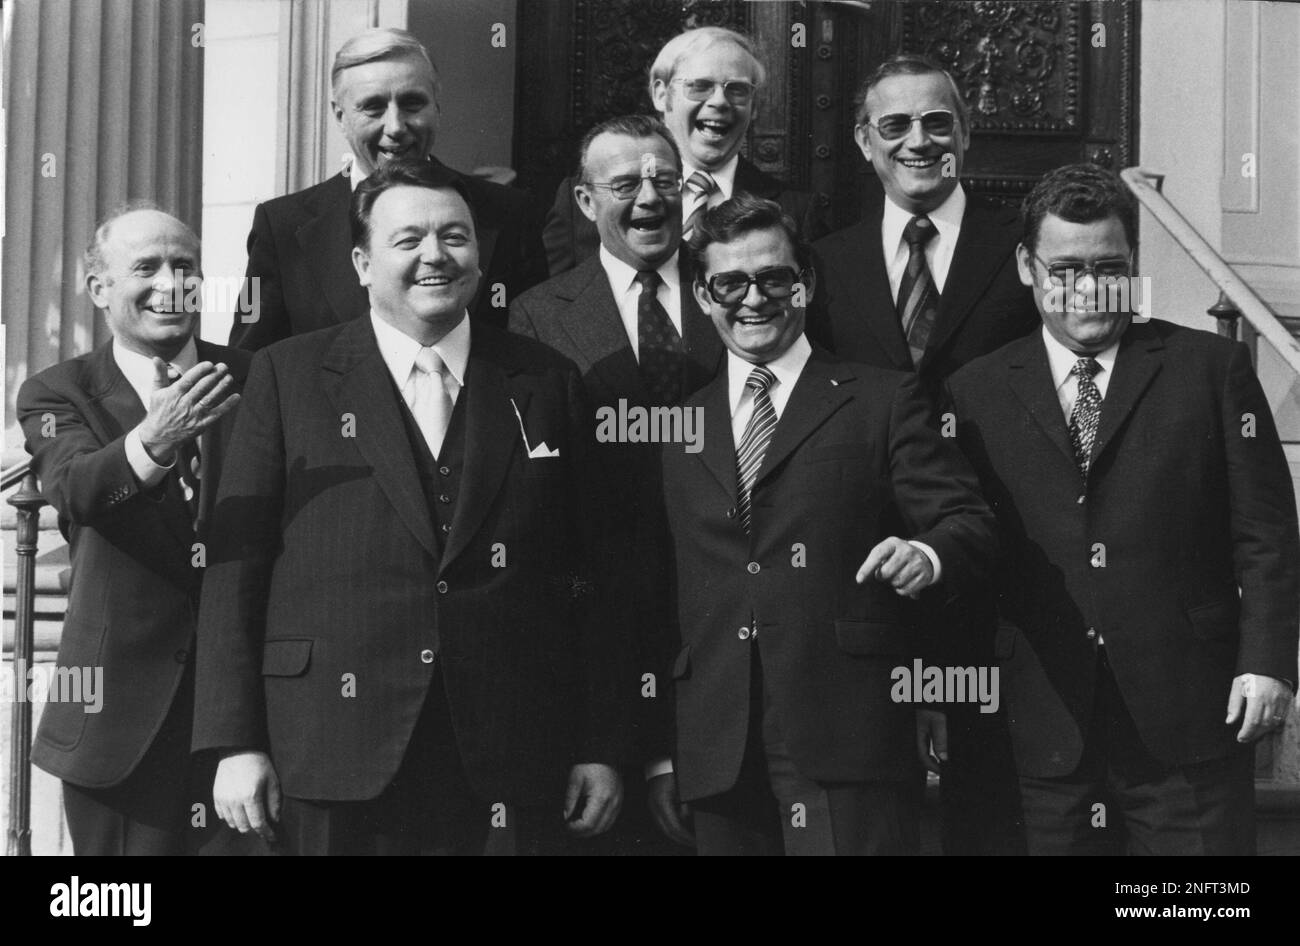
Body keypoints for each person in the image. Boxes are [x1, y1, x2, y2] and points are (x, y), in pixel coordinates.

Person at [193, 159, 626, 856]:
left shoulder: (545, 380)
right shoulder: (286, 376)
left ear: (480, 258)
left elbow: (592, 573)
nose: (436, 256)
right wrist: (233, 742)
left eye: (455, 237)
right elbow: (235, 567)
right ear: (362, 263)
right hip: (331, 746)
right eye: (409, 239)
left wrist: (600, 742)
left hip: (508, 753)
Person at [945, 163, 1300, 855]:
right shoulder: (975, 392)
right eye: (1064, 268)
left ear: (1132, 266)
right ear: (1026, 266)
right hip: (1038, 720)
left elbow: (1266, 534)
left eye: (1107, 267)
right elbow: (966, 553)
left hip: (1189, 715)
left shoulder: (1208, 369)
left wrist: (1268, 662)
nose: (1086, 289)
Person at [657, 194, 996, 855]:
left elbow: (967, 520)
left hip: (848, 732)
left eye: (773, 278)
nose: (753, 299)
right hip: (717, 742)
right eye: (730, 282)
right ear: (702, 296)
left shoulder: (882, 397)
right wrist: (656, 750)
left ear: (804, 284)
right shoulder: (680, 425)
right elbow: (655, 584)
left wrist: (927, 554)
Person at [510, 114, 723, 853]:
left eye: (665, 181)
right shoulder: (535, 318)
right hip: (595, 632)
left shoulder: (739, 296)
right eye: (625, 183)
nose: (648, 200)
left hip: (722, 615)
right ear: (583, 198)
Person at [17, 207, 251, 855]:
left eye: (185, 267)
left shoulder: (257, 380)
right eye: (146, 267)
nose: (171, 284)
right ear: (99, 290)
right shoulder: (57, 392)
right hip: (116, 729)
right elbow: (75, 488)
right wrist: (154, 439)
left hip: (245, 726)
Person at [229, 27, 546, 349]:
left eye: (412, 104)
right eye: (373, 107)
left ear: (437, 107)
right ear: (340, 116)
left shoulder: (507, 213)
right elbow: (251, 367)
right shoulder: (281, 226)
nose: (395, 127)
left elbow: (533, 354)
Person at [810, 53, 1039, 403]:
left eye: (937, 123)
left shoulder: (1026, 242)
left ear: (964, 133)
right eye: (895, 125)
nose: (918, 141)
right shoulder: (826, 262)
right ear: (865, 142)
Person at [543, 26, 830, 276]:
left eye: (738, 90)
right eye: (700, 86)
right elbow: (555, 310)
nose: (720, 101)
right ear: (660, 94)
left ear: (754, 108)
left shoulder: (798, 211)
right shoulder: (585, 201)